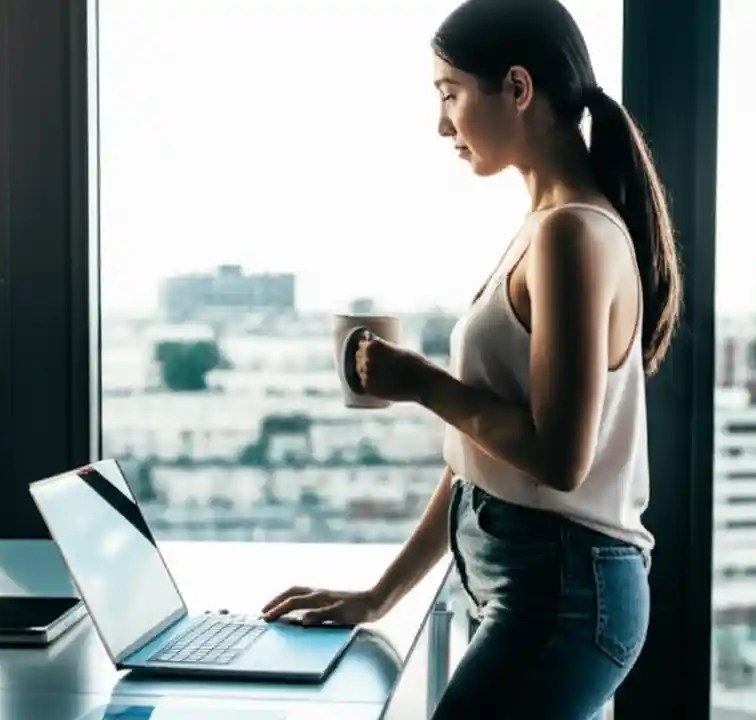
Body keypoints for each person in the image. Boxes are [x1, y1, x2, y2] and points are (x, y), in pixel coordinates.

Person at [261, 0, 682, 716]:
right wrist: (380, 594)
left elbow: (558, 458)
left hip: (564, 597)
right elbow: (479, 463)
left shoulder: (570, 235)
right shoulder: (547, 229)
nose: (442, 123)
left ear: (517, 88)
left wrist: (422, 383)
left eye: (449, 93)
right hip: (546, 591)